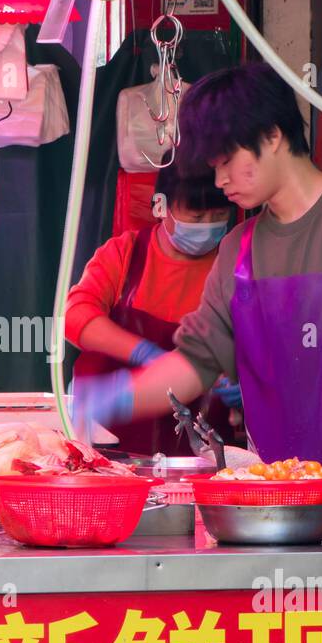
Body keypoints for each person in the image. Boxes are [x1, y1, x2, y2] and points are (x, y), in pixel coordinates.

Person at [74, 63, 322, 519]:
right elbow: (194, 365)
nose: (219, 180)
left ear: (273, 136)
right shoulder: (236, 252)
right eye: (213, 166)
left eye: (226, 161)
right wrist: (113, 396)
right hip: (267, 505)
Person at [67, 161, 234, 455]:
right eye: (195, 216)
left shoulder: (234, 265)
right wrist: (141, 352)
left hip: (201, 453)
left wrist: (243, 381)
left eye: (219, 215)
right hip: (112, 445)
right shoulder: (125, 253)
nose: (207, 225)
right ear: (161, 206)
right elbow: (74, 316)